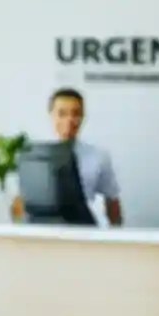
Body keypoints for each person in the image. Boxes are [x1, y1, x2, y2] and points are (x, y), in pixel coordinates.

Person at [45, 87, 123, 226]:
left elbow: (112, 201)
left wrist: (118, 237)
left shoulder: (98, 156)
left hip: (82, 230)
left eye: (75, 114)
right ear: (51, 115)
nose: (69, 120)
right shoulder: (33, 156)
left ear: (82, 117)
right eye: (62, 114)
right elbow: (20, 202)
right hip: (43, 232)